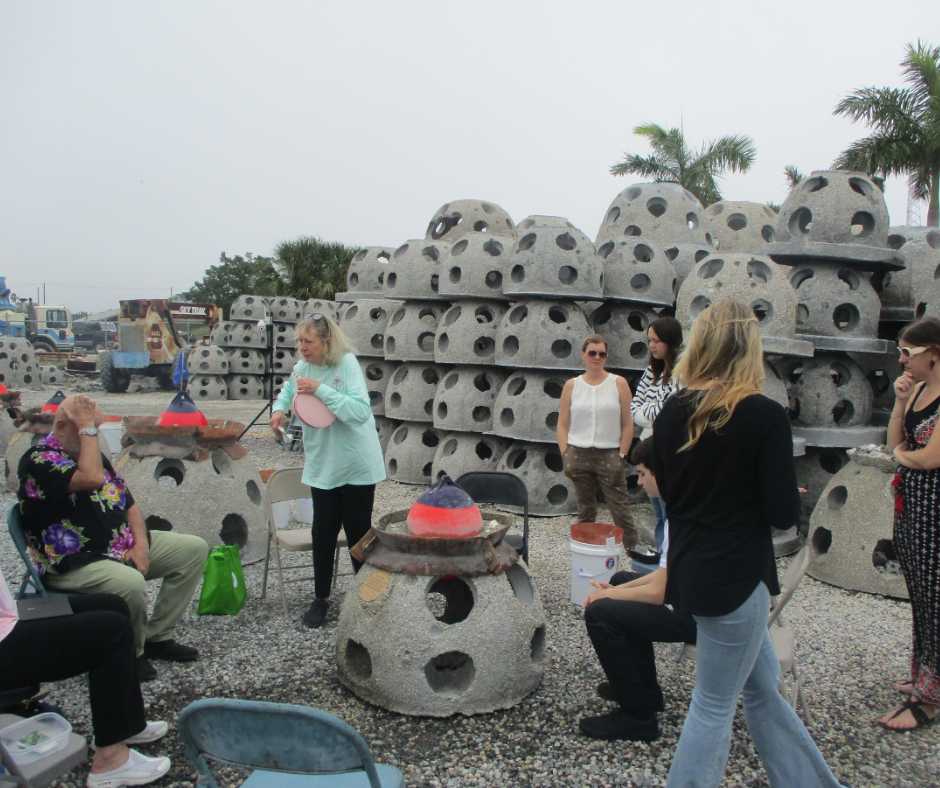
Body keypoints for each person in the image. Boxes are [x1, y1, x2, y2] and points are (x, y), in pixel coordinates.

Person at [652, 299, 842, 787]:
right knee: (713, 706)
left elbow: (672, 496)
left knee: (762, 691)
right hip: (739, 579)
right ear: (749, 349)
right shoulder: (763, 415)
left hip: (693, 570)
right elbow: (782, 515)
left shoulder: (672, 411)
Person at [17, 394, 208, 682]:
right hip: (73, 560)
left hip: (118, 546)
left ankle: (157, 636)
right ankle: (131, 652)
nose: (92, 436)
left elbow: (129, 503)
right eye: (87, 430)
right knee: (128, 583)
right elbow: (91, 478)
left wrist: (141, 545)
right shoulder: (39, 459)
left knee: (193, 549)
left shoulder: (89, 453)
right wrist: (87, 428)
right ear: (63, 426)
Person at [0, 567, 171, 787]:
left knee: (113, 604)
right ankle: (110, 760)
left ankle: (128, 726)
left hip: (8, 614)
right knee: (110, 632)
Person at [271, 313, 385, 629]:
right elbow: (288, 390)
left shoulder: (346, 364)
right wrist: (279, 409)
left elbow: (360, 412)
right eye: (299, 341)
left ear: (326, 341)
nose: (302, 347)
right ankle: (321, 599)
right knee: (322, 532)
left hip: (355, 464)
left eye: (308, 341)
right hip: (323, 464)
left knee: (359, 532)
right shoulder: (302, 367)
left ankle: (365, 600)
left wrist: (321, 390)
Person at [579, 437, 696, 742]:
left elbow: (658, 592)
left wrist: (605, 596)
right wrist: (617, 588)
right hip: (691, 598)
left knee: (600, 613)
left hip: (700, 616)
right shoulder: (685, 504)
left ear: (662, 473)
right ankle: (645, 693)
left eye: (644, 473)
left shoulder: (681, 517)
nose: (640, 481)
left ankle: (637, 717)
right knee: (619, 580)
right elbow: (664, 576)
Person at [878, 317, 940, 731]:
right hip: (912, 507)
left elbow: (929, 457)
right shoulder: (917, 389)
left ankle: (931, 698)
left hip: (934, 510)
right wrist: (900, 404)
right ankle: (924, 673)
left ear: (934, 355)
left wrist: (903, 455)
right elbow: (893, 442)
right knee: (920, 595)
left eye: (908, 353)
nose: (902, 360)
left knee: (936, 599)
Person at [557, 335, 636, 547]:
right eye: (592, 352)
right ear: (583, 355)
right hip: (578, 453)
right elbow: (562, 423)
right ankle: (585, 548)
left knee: (620, 507)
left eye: (602, 353)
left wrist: (622, 453)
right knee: (585, 508)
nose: (597, 357)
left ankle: (632, 549)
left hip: (609, 452)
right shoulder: (572, 385)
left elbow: (628, 422)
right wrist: (565, 452)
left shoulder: (618, 383)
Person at [631, 316, 682, 553]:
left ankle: (670, 563)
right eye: (649, 340)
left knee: (671, 513)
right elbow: (635, 411)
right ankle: (663, 560)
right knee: (659, 513)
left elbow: (670, 410)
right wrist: (652, 410)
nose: (651, 346)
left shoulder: (682, 373)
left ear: (670, 341)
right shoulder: (650, 372)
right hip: (648, 451)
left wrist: (649, 410)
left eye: (656, 340)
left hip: (670, 452)